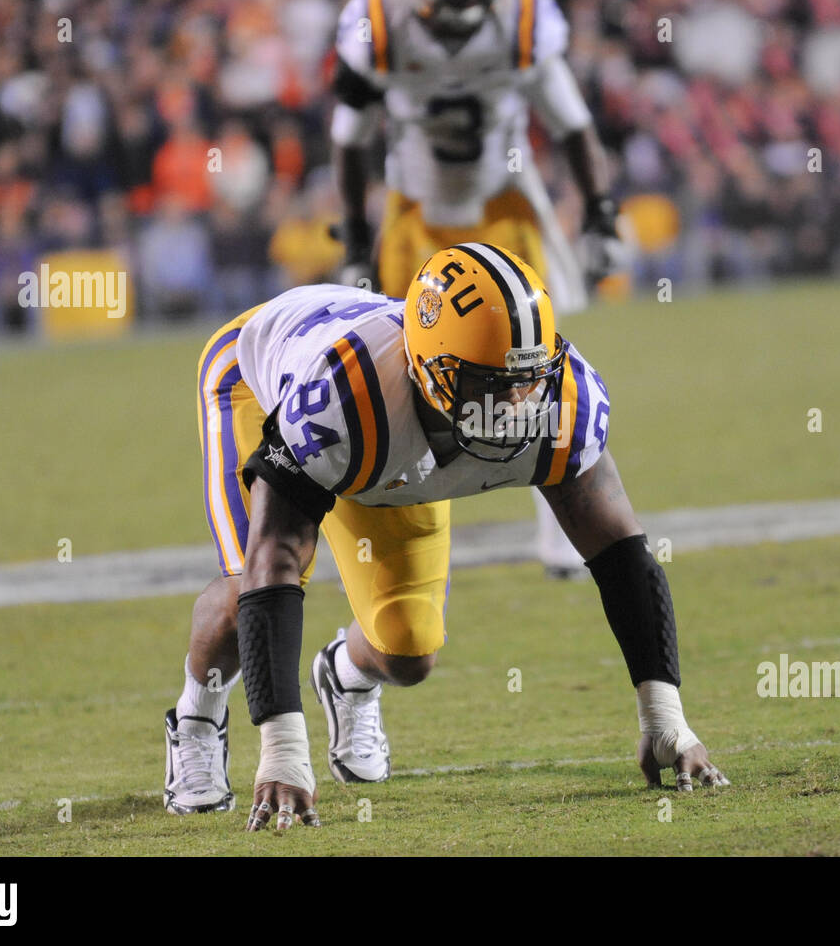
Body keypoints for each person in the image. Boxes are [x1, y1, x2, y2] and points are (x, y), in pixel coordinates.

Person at [163, 244, 725, 829]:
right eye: (490, 385)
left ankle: (344, 675)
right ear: (431, 372)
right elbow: (273, 563)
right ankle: (197, 719)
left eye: (526, 381)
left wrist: (665, 718)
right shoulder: (342, 402)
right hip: (260, 382)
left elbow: (619, 552)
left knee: (409, 649)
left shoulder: (558, 401)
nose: (513, 405)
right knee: (241, 588)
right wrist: (284, 751)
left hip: (384, 448)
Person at [329, 0, 630, 578]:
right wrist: (356, 243)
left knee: (535, 370)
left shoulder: (522, 20)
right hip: (416, 214)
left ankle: (561, 531)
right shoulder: (378, 24)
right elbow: (350, 140)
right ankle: (389, 536)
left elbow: (571, 122)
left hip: (502, 206)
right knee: (394, 370)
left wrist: (600, 209)